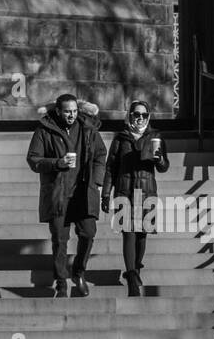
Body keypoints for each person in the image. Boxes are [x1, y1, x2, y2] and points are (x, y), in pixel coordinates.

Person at [26, 93, 107, 298]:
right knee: (60, 240)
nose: (71, 115)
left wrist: (97, 181)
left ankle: (78, 273)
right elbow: (33, 159)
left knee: (88, 233)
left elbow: (100, 155)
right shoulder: (45, 129)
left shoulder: (88, 128)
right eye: (67, 112)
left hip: (83, 192)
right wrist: (56, 163)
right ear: (58, 111)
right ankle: (61, 283)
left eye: (74, 111)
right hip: (58, 193)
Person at [102, 99, 170, 297]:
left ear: (148, 117)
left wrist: (161, 159)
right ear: (129, 116)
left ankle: (136, 268)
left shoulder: (155, 136)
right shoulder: (120, 139)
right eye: (136, 114)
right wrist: (106, 194)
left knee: (142, 235)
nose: (139, 118)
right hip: (124, 191)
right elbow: (110, 168)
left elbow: (164, 167)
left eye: (143, 115)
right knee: (128, 233)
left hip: (147, 192)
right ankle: (131, 276)